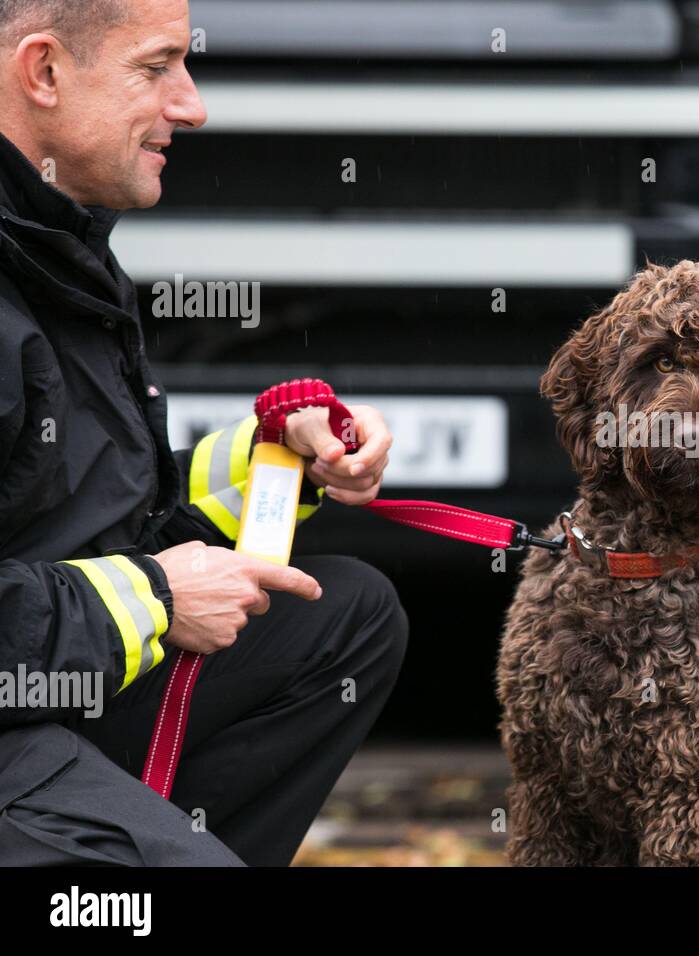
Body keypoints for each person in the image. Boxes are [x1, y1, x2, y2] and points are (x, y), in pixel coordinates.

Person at [0, 0, 408, 865]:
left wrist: (283, 461)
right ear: (43, 71)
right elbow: (133, 573)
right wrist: (153, 595)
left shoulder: (52, 235)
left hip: (40, 690)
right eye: (156, 68)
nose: (192, 105)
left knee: (348, 616)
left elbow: (88, 509)